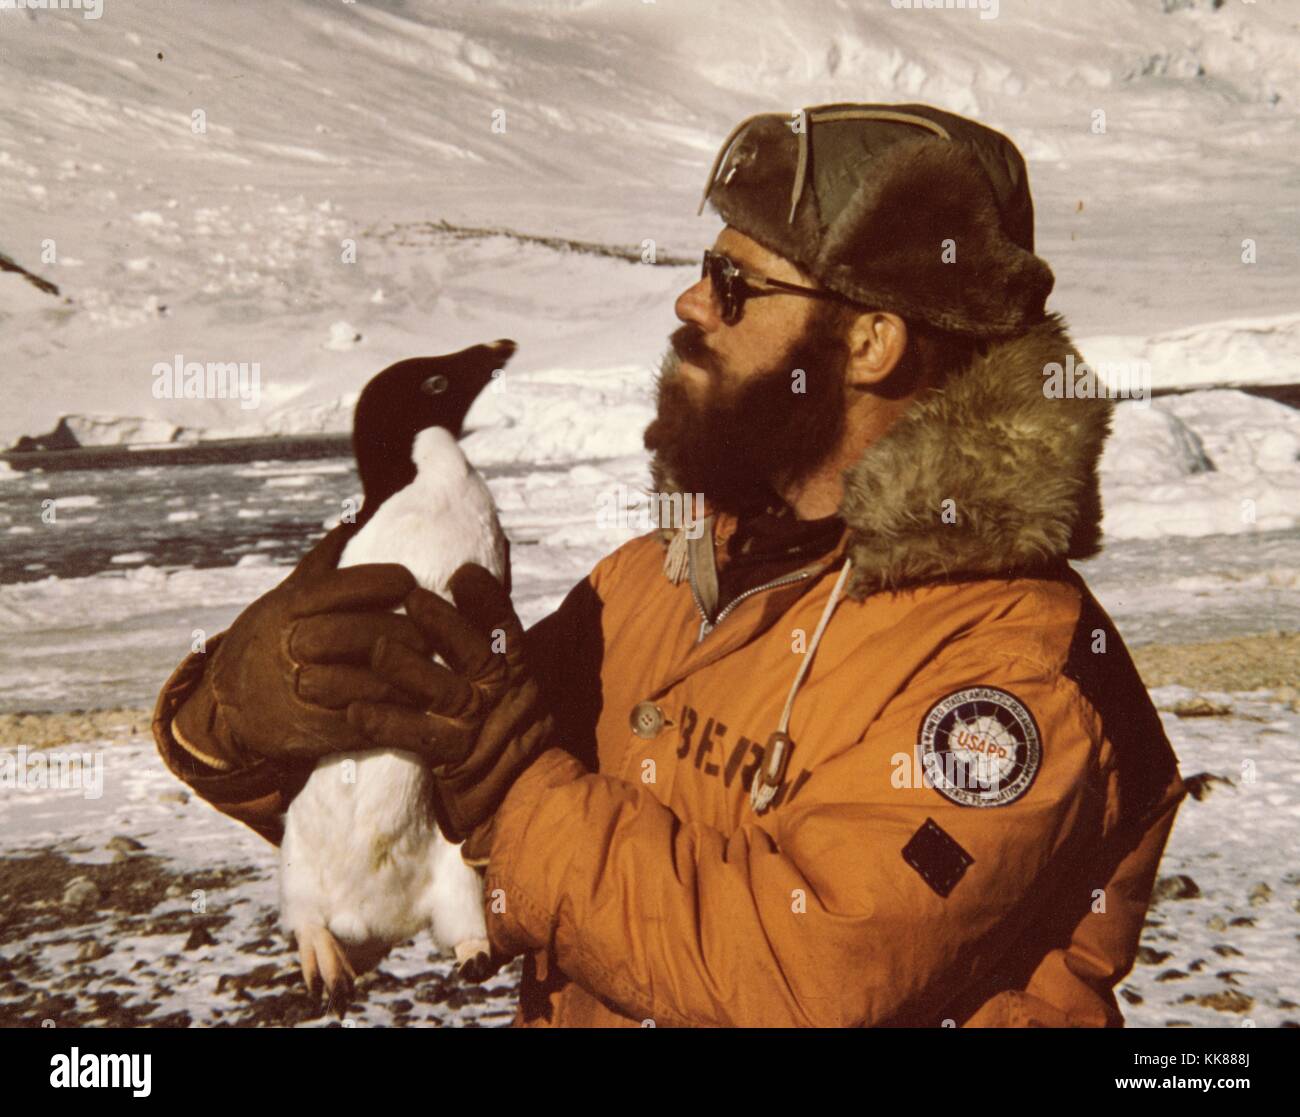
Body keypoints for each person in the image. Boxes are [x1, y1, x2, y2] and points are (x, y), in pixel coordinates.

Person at [153, 102, 1184, 1027]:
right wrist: (236, 726)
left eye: (734, 281)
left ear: (871, 341)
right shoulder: (654, 580)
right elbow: (414, 788)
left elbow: (809, 974)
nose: (691, 303)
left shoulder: (1015, 666)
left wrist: (515, 797)